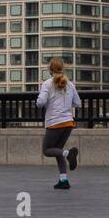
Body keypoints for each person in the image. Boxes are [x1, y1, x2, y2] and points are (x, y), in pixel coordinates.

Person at [36, 57, 81, 190]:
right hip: (68, 123)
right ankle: (64, 180)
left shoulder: (47, 84)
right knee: (58, 151)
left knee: (47, 150)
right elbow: (78, 103)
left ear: (50, 70)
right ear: (62, 69)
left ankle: (69, 154)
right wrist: (66, 106)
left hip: (55, 123)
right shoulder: (70, 84)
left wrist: (40, 100)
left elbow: (41, 102)